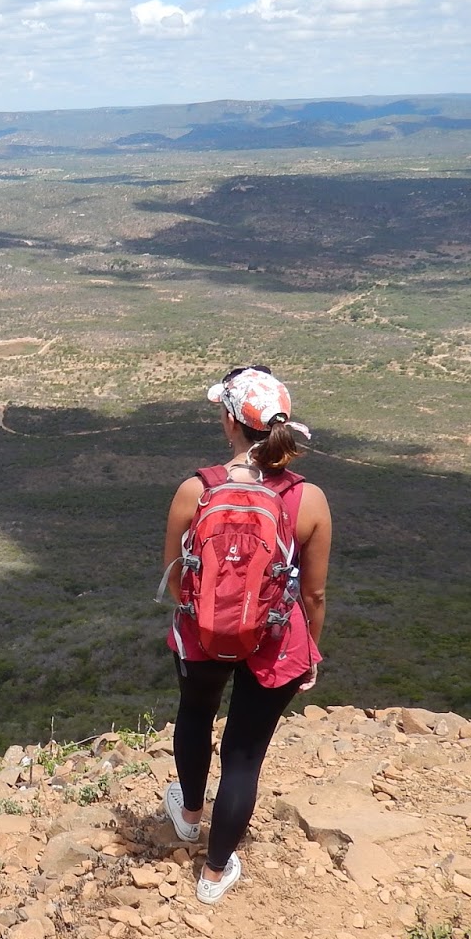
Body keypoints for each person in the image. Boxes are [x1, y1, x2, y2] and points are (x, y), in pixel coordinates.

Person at [159, 366, 330, 904]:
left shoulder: (196, 489)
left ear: (229, 422)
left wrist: (211, 607)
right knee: (244, 756)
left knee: (194, 714)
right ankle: (213, 876)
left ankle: (189, 816)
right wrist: (311, 651)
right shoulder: (309, 500)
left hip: (202, 631)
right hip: (276, 639)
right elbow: (315, 595)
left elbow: (173, 573)